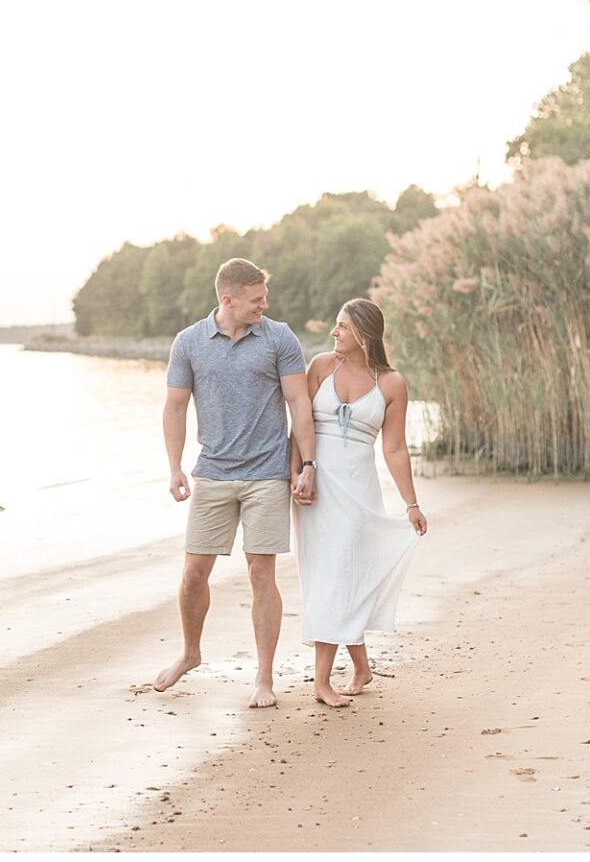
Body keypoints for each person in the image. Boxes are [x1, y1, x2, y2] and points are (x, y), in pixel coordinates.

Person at [154, 258, 318, 708]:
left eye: (264, 298)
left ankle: (264, 679)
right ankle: (190, 653)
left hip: (267, 475)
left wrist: (308, 465)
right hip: (213, 474)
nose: (265, 305)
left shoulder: (279, 337)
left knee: (261, 574)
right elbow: (174, 407)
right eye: (256, 299)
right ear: (228, 300)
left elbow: (300, 402)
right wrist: (175, 467)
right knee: (193, 575)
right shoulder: (189, 343)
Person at [291, 298, 428, 707]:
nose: (335, 333)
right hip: (316, 490)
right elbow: (298, 425)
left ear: (365, 334)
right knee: (326, 576)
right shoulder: (319, 367)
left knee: (341, 575)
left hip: (358, 491)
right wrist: (296, 474)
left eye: (343, 327)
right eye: (335, 325)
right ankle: (361, 667)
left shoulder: (392, 384)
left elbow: (396, 449)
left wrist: (411, 504)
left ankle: (320, 682)